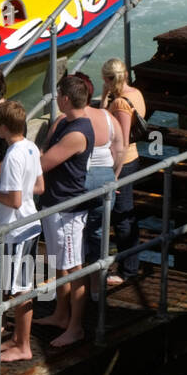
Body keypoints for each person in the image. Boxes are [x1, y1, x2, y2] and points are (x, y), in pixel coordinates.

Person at [35, 74, 94, 348]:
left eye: (58, 94)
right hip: (55, 204)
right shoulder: (66, 123)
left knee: (74, 267)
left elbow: (44, 162)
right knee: (61, 265)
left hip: (68, 208)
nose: (56, 98)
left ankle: (76, 326)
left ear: (66, 98)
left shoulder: (77, 132)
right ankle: (61, 315)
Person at [0, 100, 44, 362]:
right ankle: (18, 340)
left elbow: (13, 200)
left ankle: (23, 345)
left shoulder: (13, 156)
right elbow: (39, 187)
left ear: (2, 127)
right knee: (20, 285)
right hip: (30, 223)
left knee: (20, 288)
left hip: (16, 228)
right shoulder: (31, 147)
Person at [101, 57, 147, 283]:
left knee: (122, 217)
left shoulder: (120, 103)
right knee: (124, 216)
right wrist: (104, 97)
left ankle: (127, 270)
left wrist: (114, 176)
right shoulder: (136, 93)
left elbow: (122, 141)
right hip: (132, 158)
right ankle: (127, 265)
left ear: (109, 79)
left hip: (123, 162)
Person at [79, 73, 124, 296]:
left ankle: (75, 289)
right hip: (105, 178)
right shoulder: (107, 117)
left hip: (81, 179)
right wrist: (113, 175)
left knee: (75, 234)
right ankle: (97, 287)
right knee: (98, 233)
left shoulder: (69, 119)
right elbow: (120, 150)